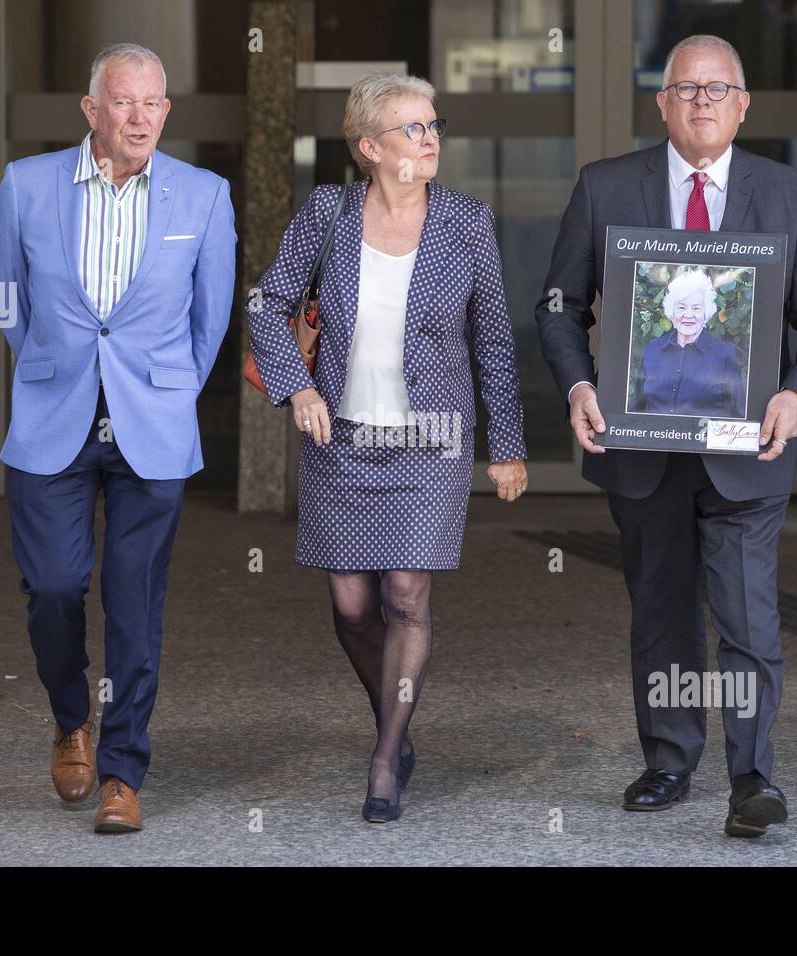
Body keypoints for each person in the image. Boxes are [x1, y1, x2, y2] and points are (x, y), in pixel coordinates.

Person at [536, 35, 797, 837]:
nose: (703, 101)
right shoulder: (606, 188)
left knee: (748, 619)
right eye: (687, 88)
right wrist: (578, 385)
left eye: (719, 89)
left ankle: (752, 779)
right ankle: (669, 759)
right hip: (639, 448)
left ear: (744, 104)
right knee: (662, 611)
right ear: (662, 102)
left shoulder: (788, 194)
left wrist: (796, 395)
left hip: (750, 451)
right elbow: (558, 307)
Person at [247, 71, 528, 824]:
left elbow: (493, 341)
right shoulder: (329, 213)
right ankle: (394, 721)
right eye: (412, 128)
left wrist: (506, 445)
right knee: (350, 607)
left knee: (406, 594)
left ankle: (385, 757)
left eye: (433, 125)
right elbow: (267, 304)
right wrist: (296, 389)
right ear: (370, 146)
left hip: (430, 443)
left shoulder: (466, 222)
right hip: (341, 436)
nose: (430, 138)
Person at [0, 43, 236, 833]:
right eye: (123, 103)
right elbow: (8, 303)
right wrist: (57, 372)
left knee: (135, 599)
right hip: (50, 418)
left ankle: (123, 773)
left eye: (153, 103)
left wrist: (161, 396)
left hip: (152, 426)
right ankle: (71, 720)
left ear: (167, 111)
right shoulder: (26, 187)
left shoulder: (203, 196)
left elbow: (210, 323)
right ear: (91, 111)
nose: (140, 117)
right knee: (56, 586)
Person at [633, 269, 746, 418]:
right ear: (671, 312)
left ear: (706, 313)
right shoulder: (654, 348)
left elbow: (737, 413)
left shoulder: (724, 354)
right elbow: (636, 408)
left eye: (696, 308)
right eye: (681, 307)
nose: (688, 315)